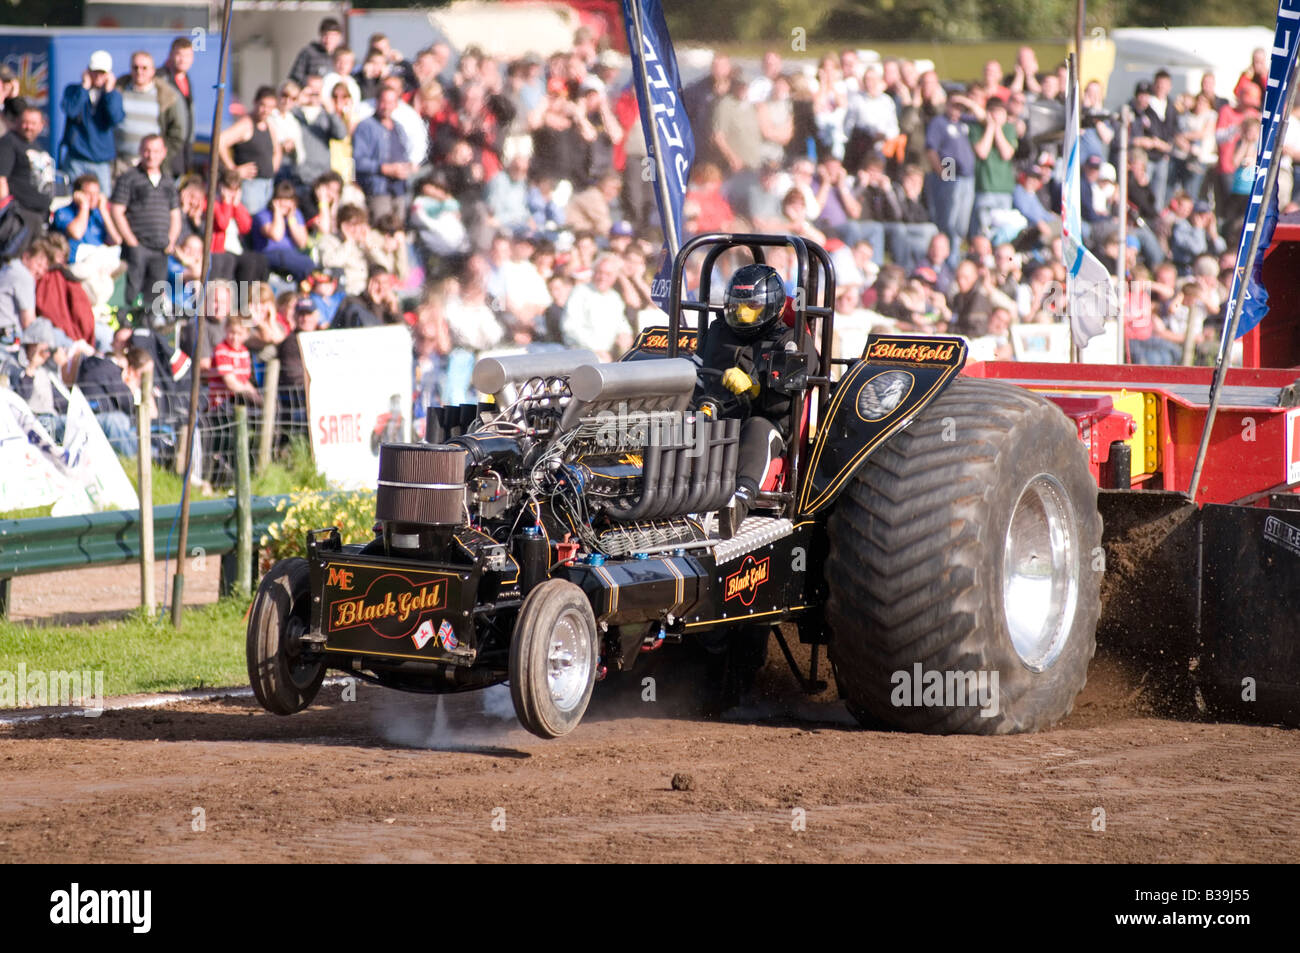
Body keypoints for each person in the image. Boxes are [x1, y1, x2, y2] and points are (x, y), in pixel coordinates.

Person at [696, 262, 817, 536]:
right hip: (717, 415)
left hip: (768, 426)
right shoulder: (717, 332)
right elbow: (695, 369)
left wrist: (753, 386)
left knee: (758, 427)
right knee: (684, 417)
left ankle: (738, 500)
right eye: (737, 305)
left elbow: (785, 403)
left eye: (751, 305)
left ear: (771, 305)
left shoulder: (792, 339)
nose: (741, 312)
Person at [109, 134, 181, 310]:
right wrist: (131, 241)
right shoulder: (129, 178)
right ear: (141, 151)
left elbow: (176, 215)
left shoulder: (168, 182)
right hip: (137, 246)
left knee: (154, 296)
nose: (151, 155)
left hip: (161, 248)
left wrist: (171, 241)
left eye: (156, 151)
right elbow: (117, 210)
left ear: (163, 153)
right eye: (147, 150)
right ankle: (127, 325)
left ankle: (148, 329)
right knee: (131, 292)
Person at [58, 50, 123, 193]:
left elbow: (115, 118)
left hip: (101, 161)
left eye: (102, 72)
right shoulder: (73, 90)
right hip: (77, 159)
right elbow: (71, 111)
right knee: (74, 198)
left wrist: (109, 93)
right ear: (88, 71)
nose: (98, 76)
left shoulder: (114, 95)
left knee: (102, 202)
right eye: (95, 72)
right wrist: (84, 88)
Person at [352, 85, 413, 221]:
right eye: (383, 102)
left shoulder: (399, 128)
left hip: (399, 190)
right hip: (378, 190)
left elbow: (404, 155)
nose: (386, 106)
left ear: (396, 104)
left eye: (390, 102)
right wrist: (384, 168)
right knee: (381, 232)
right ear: (377, 102)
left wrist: (407, 167)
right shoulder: (366, 126)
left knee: (398, 233)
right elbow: (358, 161)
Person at [218, 86, 281, 215]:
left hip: (267, 185)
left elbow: (277, 150)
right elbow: (220, 142)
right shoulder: (246, 124)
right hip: (250, 187)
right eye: (263, 105)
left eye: (270, 107)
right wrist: (233, 170)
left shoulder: (269, 125)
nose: (266, 110)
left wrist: (272, 167)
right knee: (249, 226)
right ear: (255, 102)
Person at [0, 98, 51, 239]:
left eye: (33, 123)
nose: (28, 127)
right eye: (25, 122)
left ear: (42, 125)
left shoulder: (37, 147)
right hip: (19, 216)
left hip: (39, 216)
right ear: (17, 122)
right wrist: (6, 211)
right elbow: (1, 178)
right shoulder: (9, 143)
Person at [289, 17, 345, 86]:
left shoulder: (342, 55)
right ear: (320, 35)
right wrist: (309, 82)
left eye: (332, 36)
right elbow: (295, 77)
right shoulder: (308, 53)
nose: (328, 40)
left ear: (339, 37)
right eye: (325, 35)